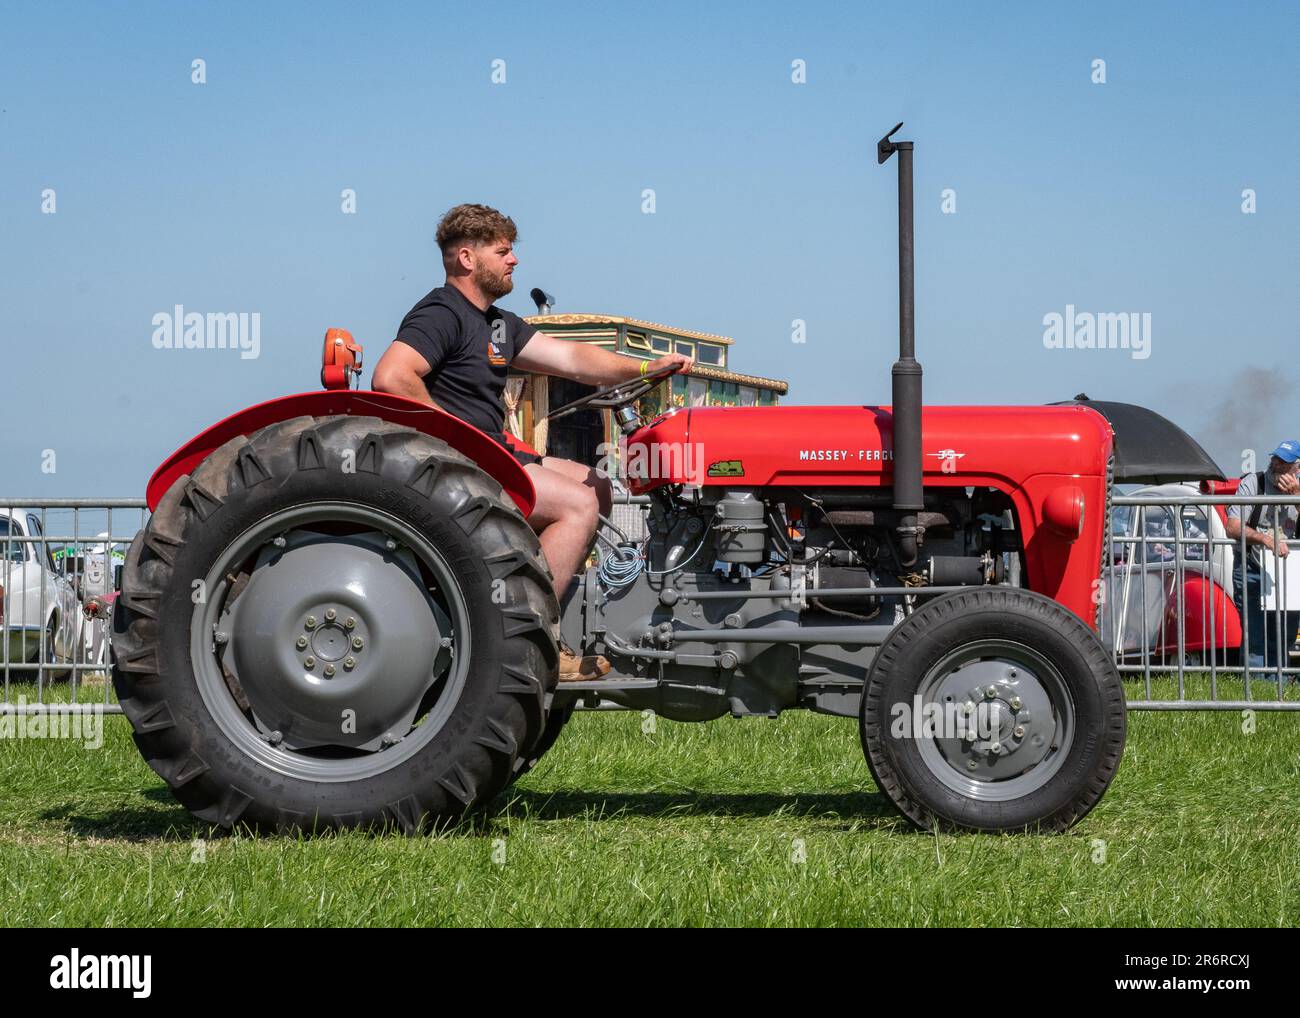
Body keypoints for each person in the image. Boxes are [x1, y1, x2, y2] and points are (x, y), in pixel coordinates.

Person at [371, 204, 692, 680]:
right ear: (466, 258)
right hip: (465, 460)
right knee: (578, 506)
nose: (514, 261)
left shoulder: (497, 323)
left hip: (492, 448)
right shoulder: (442, 313)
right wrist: (457, 443)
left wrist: (645, 367)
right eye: (502, 251)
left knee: (598, 484)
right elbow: (392, 377)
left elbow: (571, 359)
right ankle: (532, 637)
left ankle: (534, 595)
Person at [1224, 440, 1300, 676]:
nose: (1276, 465)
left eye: (1284, 463)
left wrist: (1297, 497)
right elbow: (1233, 527)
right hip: (1251, 569)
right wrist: (1266, 540)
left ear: (1296, 468)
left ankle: (1280, 691)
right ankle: (1257, 693)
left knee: (1284, 636)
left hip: (1289, 574)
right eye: (1275, 459)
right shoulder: (1253, 483)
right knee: (1255, 637)